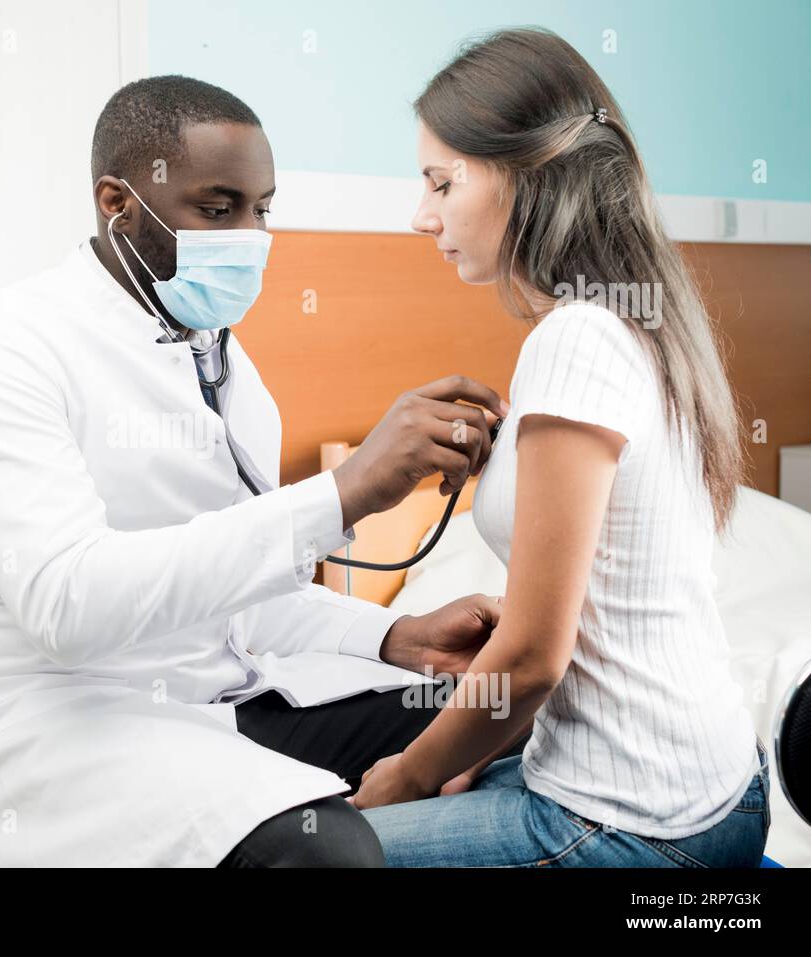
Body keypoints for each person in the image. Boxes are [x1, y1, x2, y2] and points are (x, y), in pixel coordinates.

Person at [0, 75, 510, 867]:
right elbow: (67, 601)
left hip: (215, 706)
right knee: (324, 853)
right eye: (217, 207)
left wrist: (398, 636)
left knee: (496, 714)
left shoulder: (230, 373)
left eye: (263, 208)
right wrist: (343, 491)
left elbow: (241, 604)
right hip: (51, 726)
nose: (250, 234)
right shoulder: (8, 347)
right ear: (116, 202)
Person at [353, 28, 770, 868]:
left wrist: (404, 775)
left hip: (633, 819)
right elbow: (581, 609)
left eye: (441, 182)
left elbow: (538, 655)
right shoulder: (636, 324)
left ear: (525, 175)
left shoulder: (576, 339)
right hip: (717, 788)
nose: (421, 214)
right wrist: (471, 745)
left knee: (299, 854)